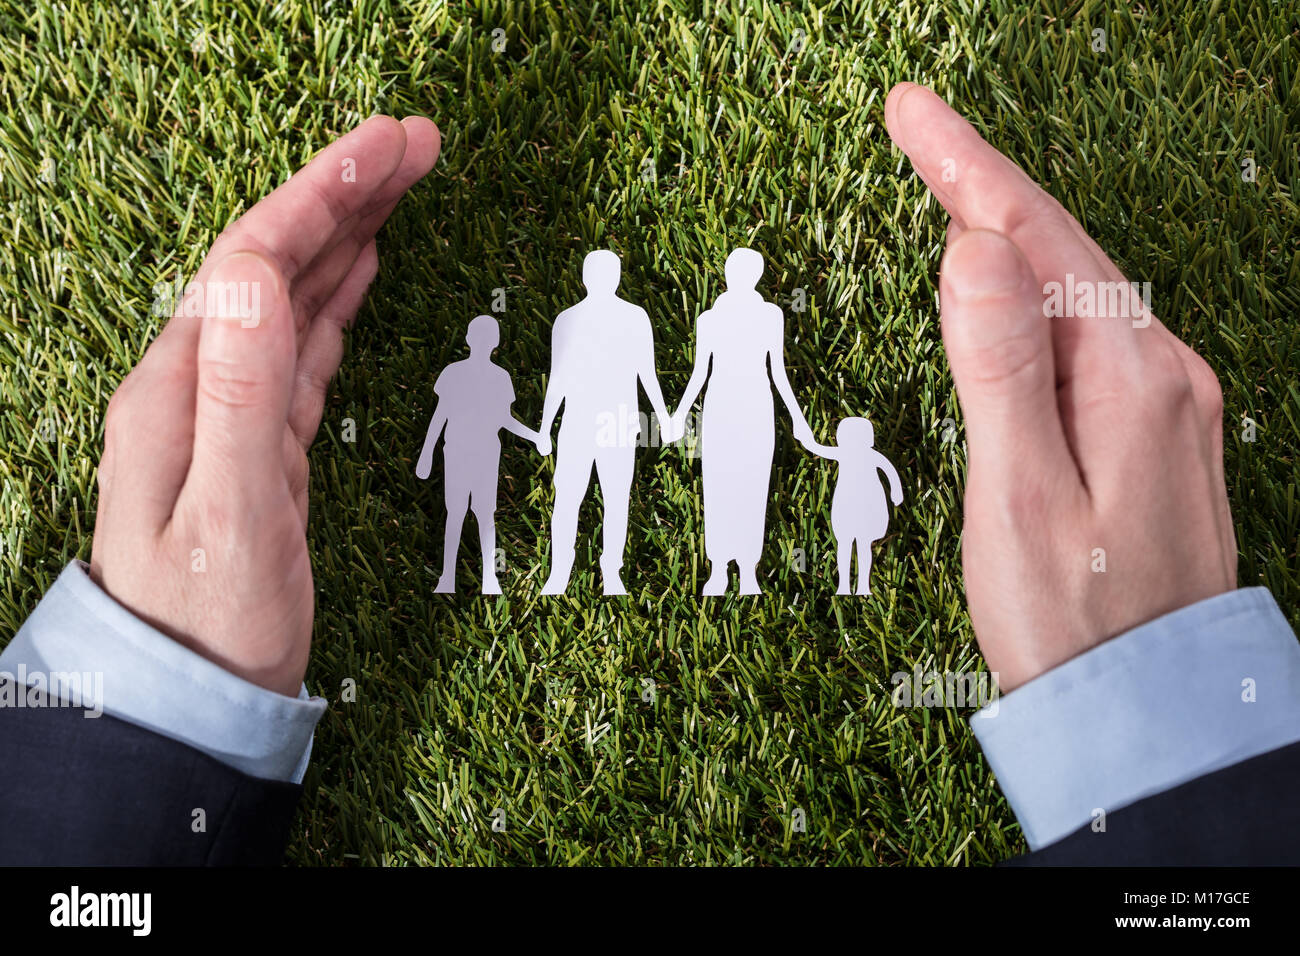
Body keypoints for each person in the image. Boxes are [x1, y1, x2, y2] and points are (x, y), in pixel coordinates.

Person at [1, 84, 1297, 865]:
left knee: (648, 510)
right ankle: (572, 552)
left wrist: (153, 722)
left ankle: (630, 551)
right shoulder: (573, 332)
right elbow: (559, 396)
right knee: (564, 515)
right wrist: (1178, 736)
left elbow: (720, 391)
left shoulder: (647, 326)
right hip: (607, 434)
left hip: (645, 433)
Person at [669, 248, 814, 595]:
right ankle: (719, 569)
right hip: (721, 409)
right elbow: (700, 372)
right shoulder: (710, 320)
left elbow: (777, 372)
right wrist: (680, 412)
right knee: (718, 487)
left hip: (755, 409)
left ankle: (748, 570)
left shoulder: (770, 316)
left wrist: (798, 418)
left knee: (752, 485)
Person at [536, 250, 677, 596]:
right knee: (577, 498)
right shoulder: (569, 321)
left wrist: (664, 417)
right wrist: (544, 427)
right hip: (586, 423)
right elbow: (560, 378)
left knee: (608, 499)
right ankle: (562, 572)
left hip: (614, 423)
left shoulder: (630, 318)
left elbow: (647, 372)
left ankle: (610, 572)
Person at [415, 314, 545, 594]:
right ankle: (447, 576)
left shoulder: (501, 377)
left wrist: (535, 437)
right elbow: (441, 415)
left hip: (486, 453)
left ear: (494, 342)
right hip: (458, 452)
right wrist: (427, 452)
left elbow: (504, 419)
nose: (485, 342)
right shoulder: (453, 373)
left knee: (485, 515)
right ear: (470, 339)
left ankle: (490, 578)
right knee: (456, 512)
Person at [799, 417, 902, 596]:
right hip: (847, 505)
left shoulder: (865, 455)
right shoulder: (846, 453)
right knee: (847, 544)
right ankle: (845, 586)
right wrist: (805, 438)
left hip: (862, 505)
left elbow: (890, 471)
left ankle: (862, 585)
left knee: (859, 545)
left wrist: (896, 492)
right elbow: (816, 448)